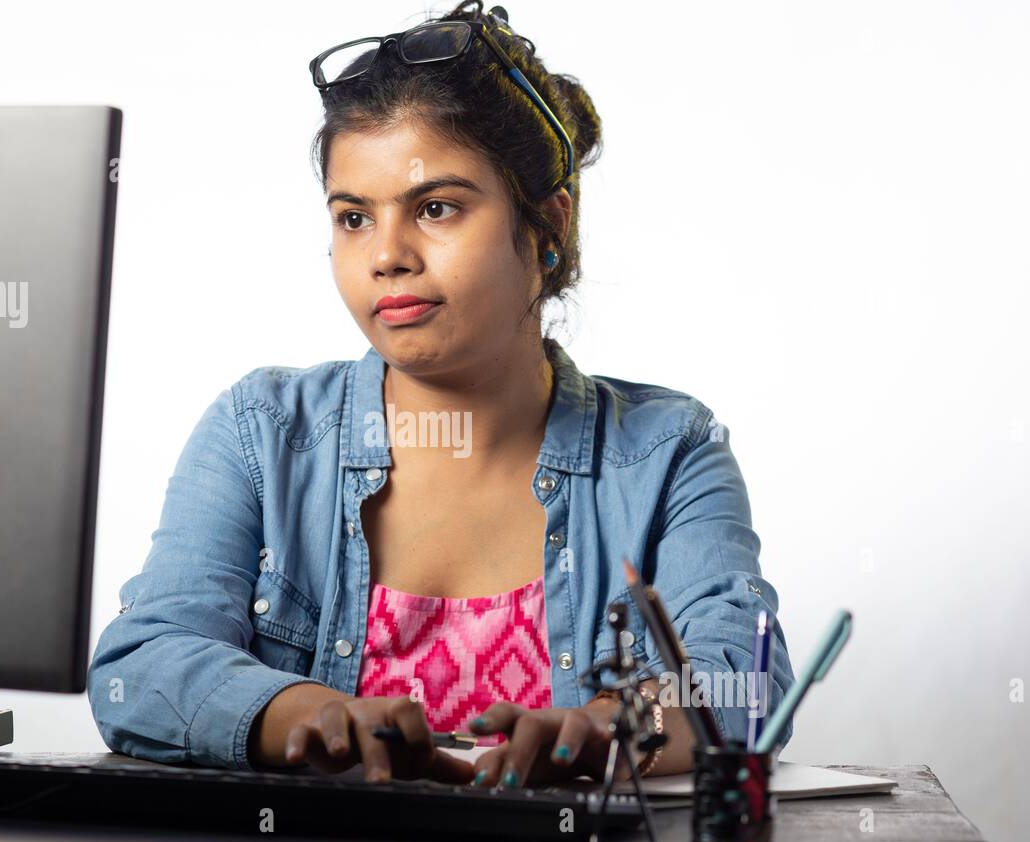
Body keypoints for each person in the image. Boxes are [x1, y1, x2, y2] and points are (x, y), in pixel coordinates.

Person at [88, 0, 795, 789]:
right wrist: (312, 713)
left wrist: (603, 732)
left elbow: (745, 678)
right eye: (354, 218)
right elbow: (140, 666)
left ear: (548, 223)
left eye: (435, 208)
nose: (387, 255)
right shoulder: (261, 435)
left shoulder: (669, 453)